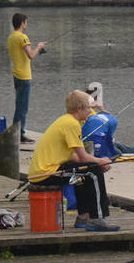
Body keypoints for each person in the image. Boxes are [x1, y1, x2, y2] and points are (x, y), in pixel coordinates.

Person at [26, 90, 116, 232]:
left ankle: (83, 217)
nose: (90, 111)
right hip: (45, 174)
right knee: (93, 172)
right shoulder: (71, 124)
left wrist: (96, 161)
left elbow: (73, 156)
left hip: (48, 169)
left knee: (82, 174)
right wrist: (100, 161)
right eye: (88, 108)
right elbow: (83, 157)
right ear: (79, 108)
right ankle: (97, 218)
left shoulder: (66, 120)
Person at [6, 12, 46, 145]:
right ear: (22, 23)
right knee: (22, 107)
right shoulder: (22, 37)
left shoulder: (11, 37)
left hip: (16, 75)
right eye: (26, 22)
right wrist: (39, 47)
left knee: (19, 105)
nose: (26, 24)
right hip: (24, 76)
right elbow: (31, 55)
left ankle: (16, 131)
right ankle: (19, 134)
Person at [81, 96, 134, 160]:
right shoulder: (86, 115)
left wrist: (101, 109)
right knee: (118, 152)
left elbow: (109, 120)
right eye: (95, 100)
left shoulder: (93, 113)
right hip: (92, 146)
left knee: (120, 145)